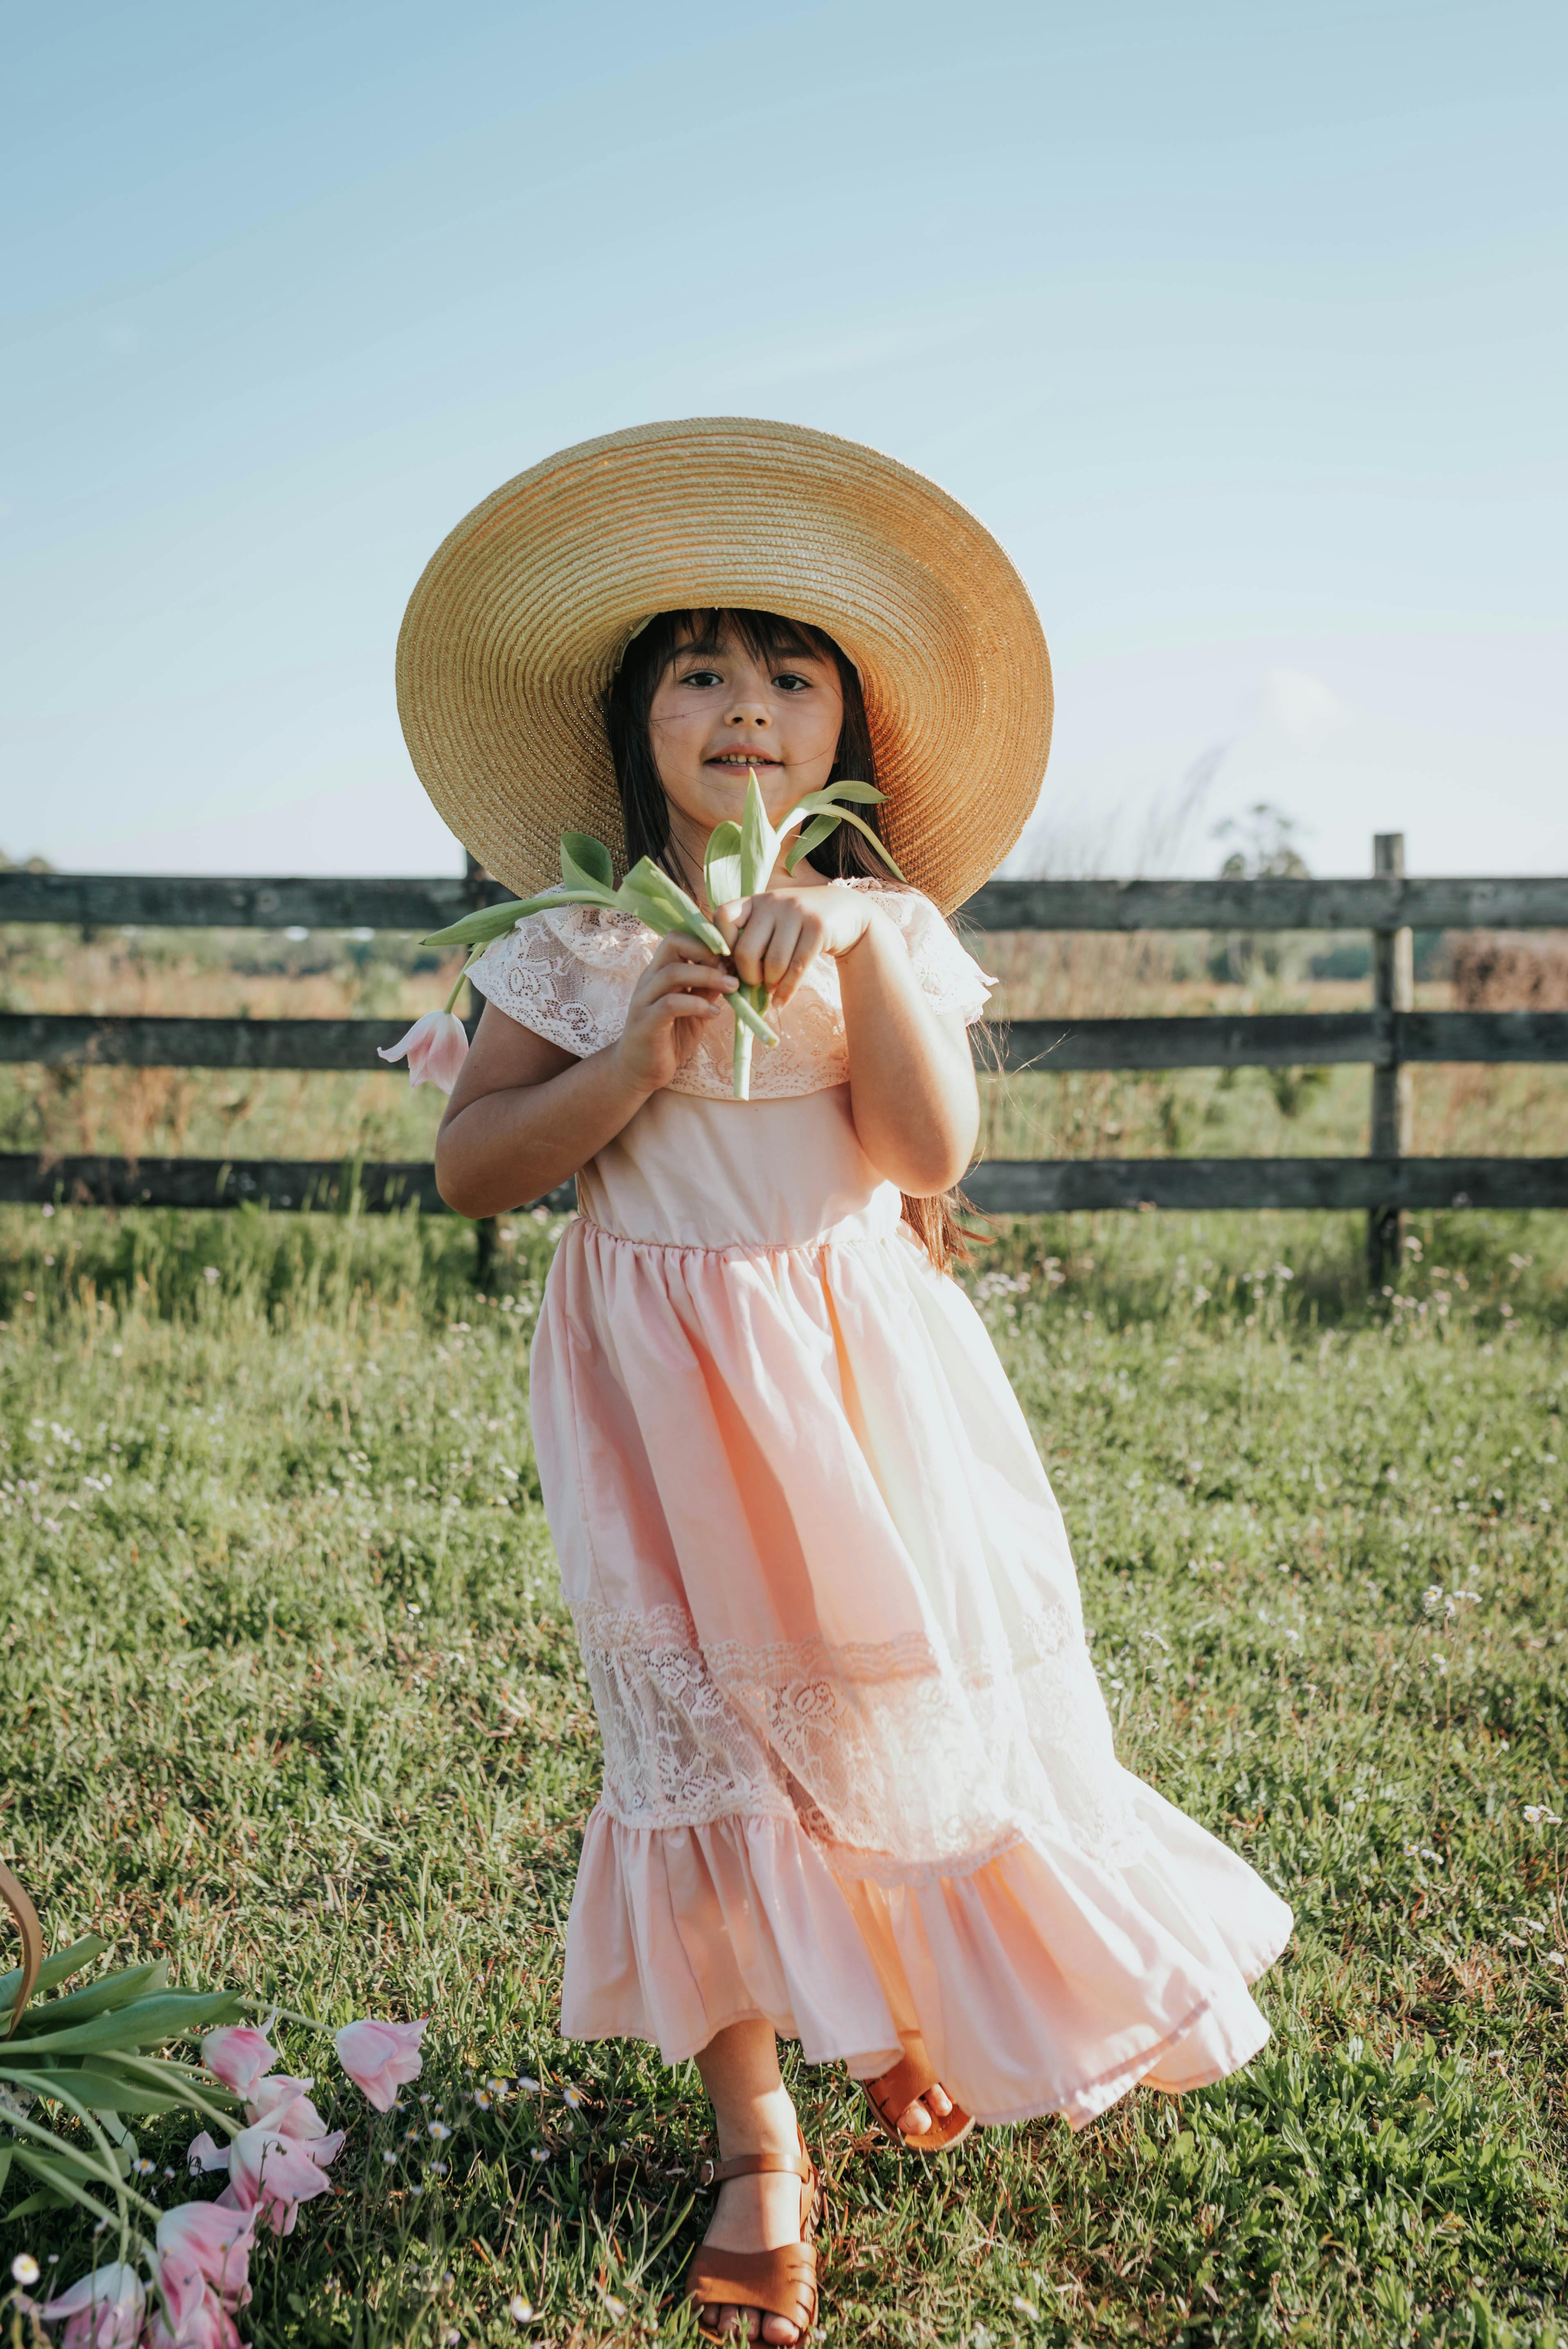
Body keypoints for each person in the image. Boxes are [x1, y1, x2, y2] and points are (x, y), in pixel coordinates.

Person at [396, 419, 1293, 2343]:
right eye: (699, 671)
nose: (744, 707)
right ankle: (759, 2144)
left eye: (789, 674)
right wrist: (629, 1064)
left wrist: (867, 953)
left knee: (891, 1708)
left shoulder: (889, 923)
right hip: (658, 1396)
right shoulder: (575, 936)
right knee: (705, 1739)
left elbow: (926, 1152)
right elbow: (475, 1167)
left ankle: (900, 2009)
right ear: (637, 717)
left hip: (861, 1385)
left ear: (847, 727)